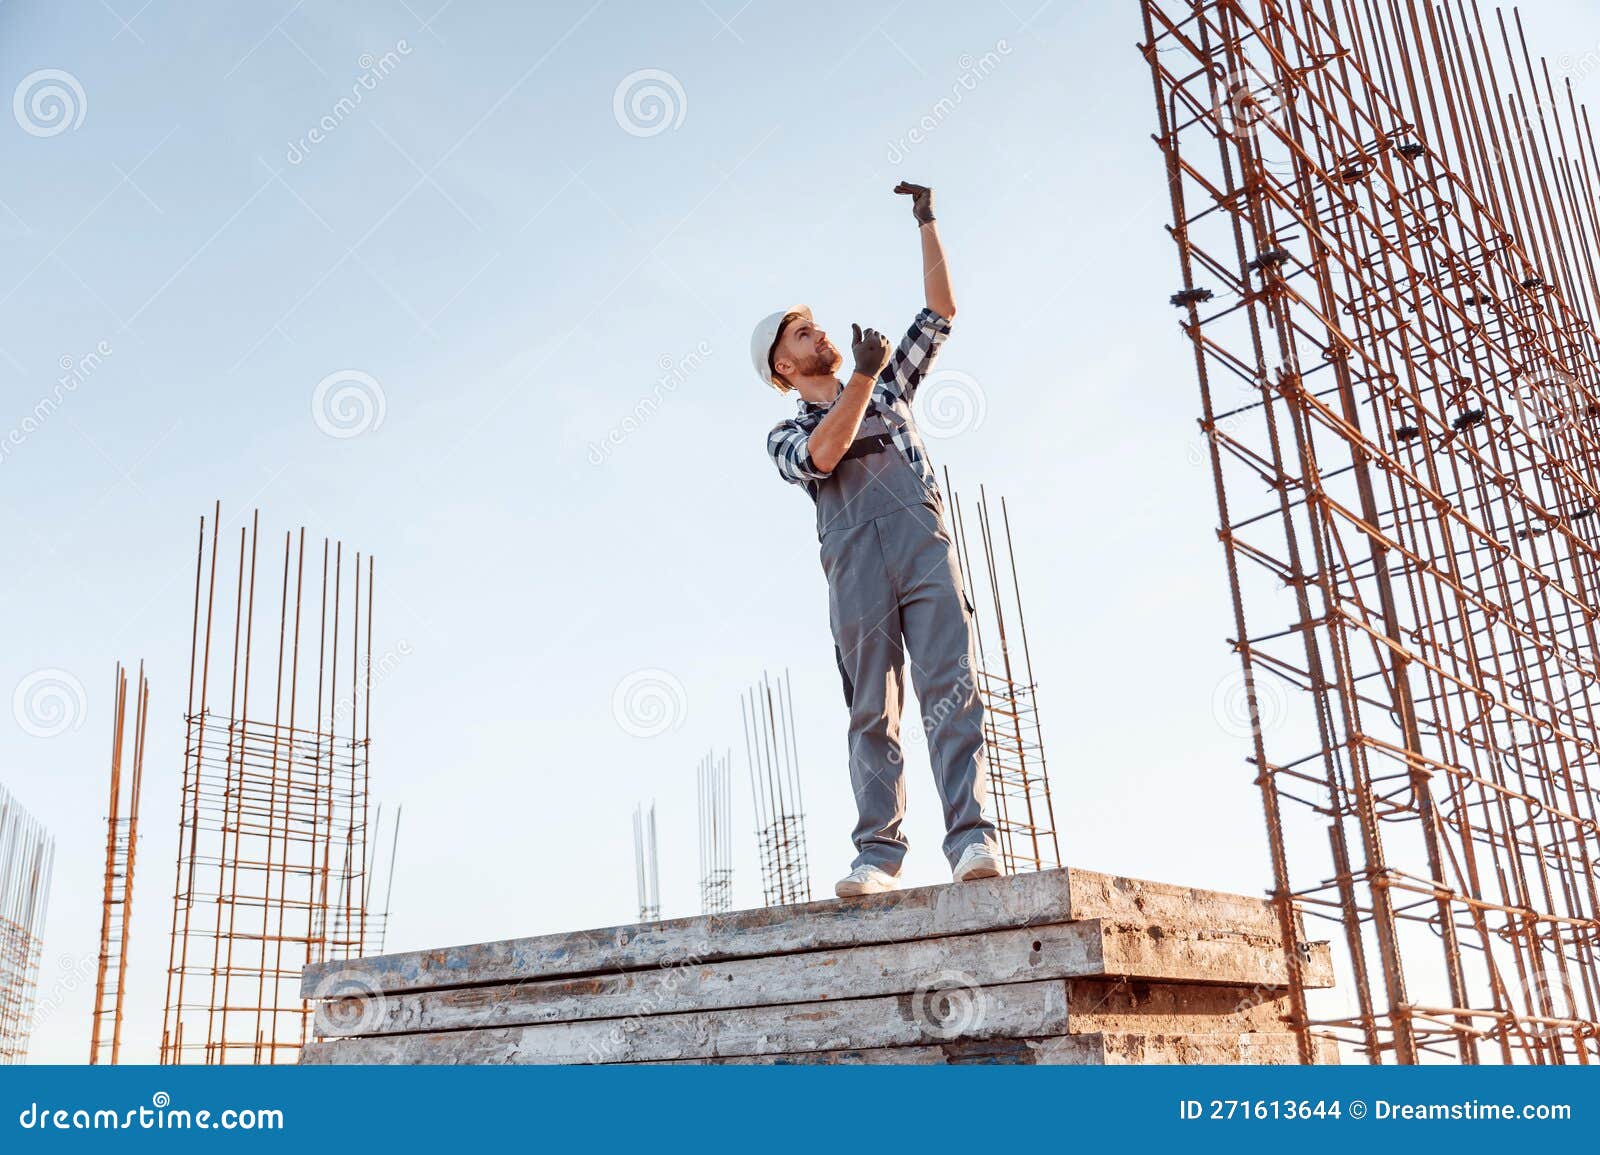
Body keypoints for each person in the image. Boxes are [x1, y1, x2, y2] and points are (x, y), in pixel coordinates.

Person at [751, 182, 1002, 898]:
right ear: (782, 369)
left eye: (815, 325)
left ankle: (972, 839)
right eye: (800, 335)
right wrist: (860, 373)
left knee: (950, 687)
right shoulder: (786, 431)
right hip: (857, 566)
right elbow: (823, 456)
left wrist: (928, 221)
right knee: (872, 708)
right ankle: (879, 856)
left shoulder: (888, 388)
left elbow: (940, 312)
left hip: (924, 547)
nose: (818, 334)